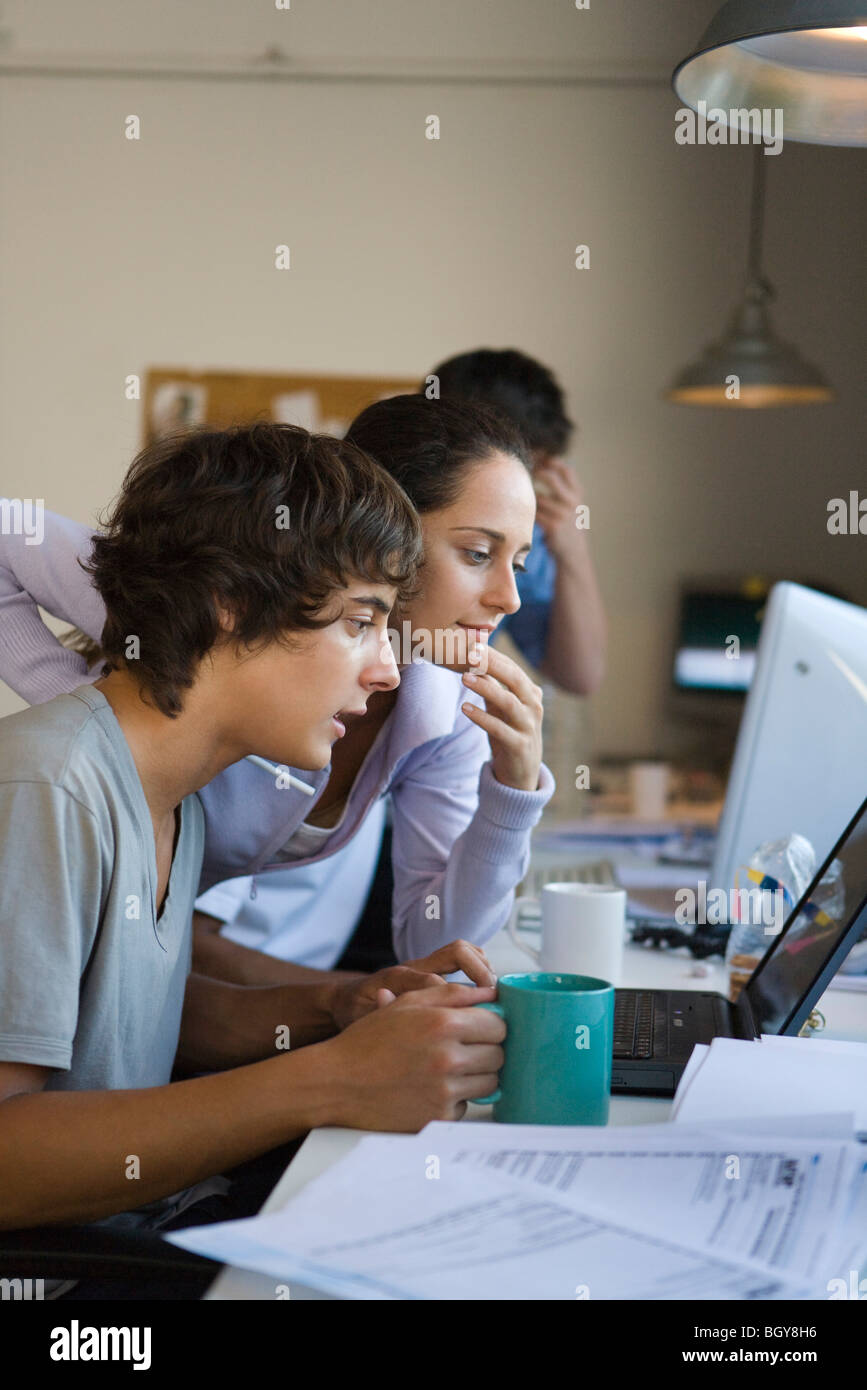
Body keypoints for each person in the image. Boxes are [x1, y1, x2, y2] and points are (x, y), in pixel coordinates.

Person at [0, 422, 507, 1268]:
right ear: (228, 604)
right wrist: (331, 1080)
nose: (387, 670)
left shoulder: (174, 796)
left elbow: (139, 1017)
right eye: (360, 623)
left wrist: (335, 1008)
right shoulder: (52, 790)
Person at [0, 397, 552, 989]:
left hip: (161, 980)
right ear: (388, 524)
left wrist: (511, 793)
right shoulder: (234, 594)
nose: (508, 598)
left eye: (518, 564)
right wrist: (87, 714)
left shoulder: (449, 709)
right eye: (476, 553)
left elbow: (438, 946)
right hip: (116, 955)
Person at [428, 348, 607, 697]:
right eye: (477, 554)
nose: (509, 600)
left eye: (536, 473)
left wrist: (573, 550)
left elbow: (581, 677)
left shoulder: (531, 540)